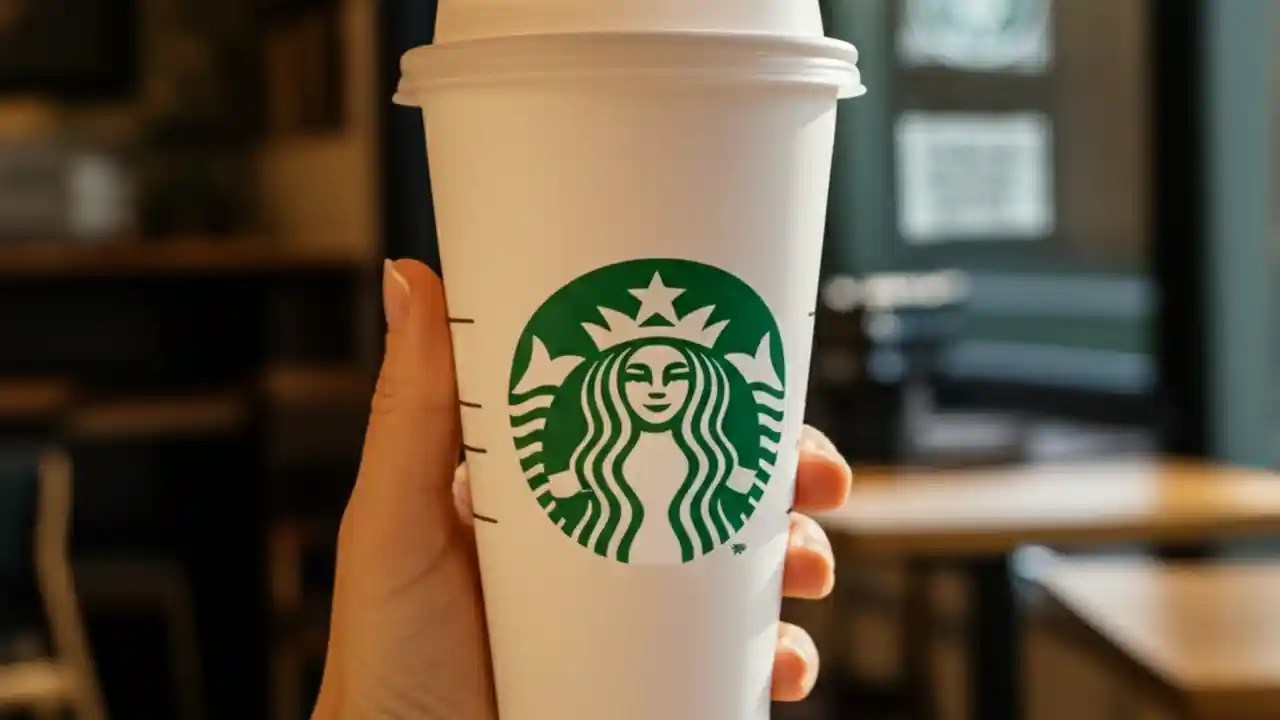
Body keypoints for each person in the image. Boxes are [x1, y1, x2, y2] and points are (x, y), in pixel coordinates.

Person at [312, 259, 853, 718]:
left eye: (677, 375)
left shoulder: (719, 473)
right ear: (610, 382)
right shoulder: (589, 475)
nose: (658, 390)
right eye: (640, 376)